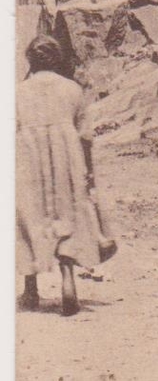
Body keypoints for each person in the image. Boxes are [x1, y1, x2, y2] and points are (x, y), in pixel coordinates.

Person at [16, 35, 113, 315]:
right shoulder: (72, 90)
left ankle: (30, 287)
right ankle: (68, 278)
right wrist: (89, 171)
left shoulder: (17, 92)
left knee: (27, 216)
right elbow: (85, 135)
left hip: (26, 158)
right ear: (57, 59)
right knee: (67, 213)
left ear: (30, 60)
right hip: (67, 158)